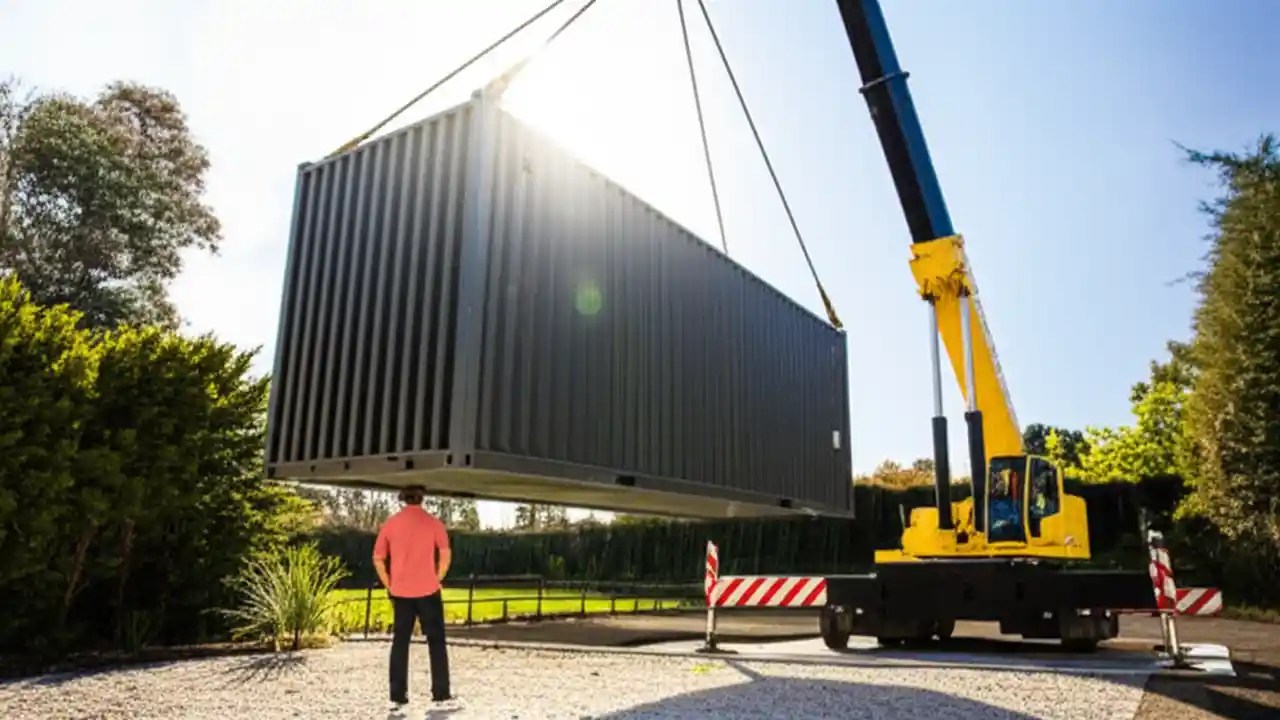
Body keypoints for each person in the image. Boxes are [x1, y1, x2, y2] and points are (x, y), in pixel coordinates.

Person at [373, 485, 453, 706]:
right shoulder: (434, 524)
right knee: (436, 641)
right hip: (428, 590)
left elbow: (378, 558)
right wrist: (437, 578)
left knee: (400, 641)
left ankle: (398, 696)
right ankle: (441, 693)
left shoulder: (390, 524)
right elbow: (445, 555)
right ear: (422, 498)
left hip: (400, 591)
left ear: (402, 499)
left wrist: (389, 583)